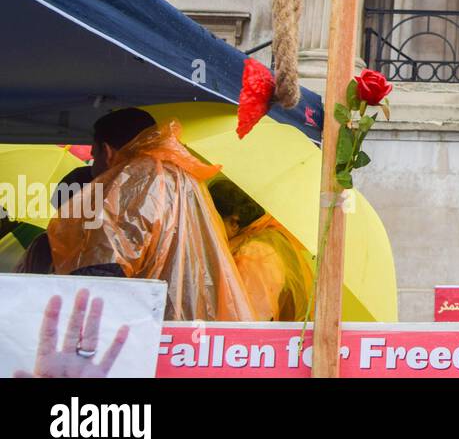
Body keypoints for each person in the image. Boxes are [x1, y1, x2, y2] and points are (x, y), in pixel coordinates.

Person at [45, 108, 255, 322]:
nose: (93, 168)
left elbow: (103, 270)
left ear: (106, 152)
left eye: (94, 155)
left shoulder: (129, 182)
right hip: (193, 336)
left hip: (147, 332)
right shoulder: (185, 178)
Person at [209, 178, 314, 323]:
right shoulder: (265, 239)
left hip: (262, 343)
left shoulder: (256, 252)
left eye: (211, 221)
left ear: (234, 222)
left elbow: (245, 320)